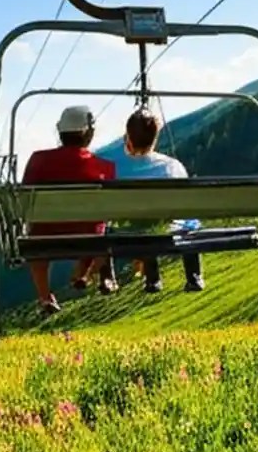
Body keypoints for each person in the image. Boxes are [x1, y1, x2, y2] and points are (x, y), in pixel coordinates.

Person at [21, 105, 118, 314]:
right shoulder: (105, 167)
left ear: (60, 132)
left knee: (37, 236)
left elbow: (25, 200)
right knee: (98, 228)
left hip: (44, 236)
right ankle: (83, 272)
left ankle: (46, 296)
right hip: (89, 236)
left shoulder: (38, 160)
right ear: (89, 133)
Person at [116, 107, 204, 293]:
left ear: (128, 139)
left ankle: (153, 280)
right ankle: (194, 276)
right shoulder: (172, 166)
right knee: (189, 221)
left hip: (135, 235)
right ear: (155, 138)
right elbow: (185, 201)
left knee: (144, 224)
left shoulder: (119, 171)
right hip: (173, 230)